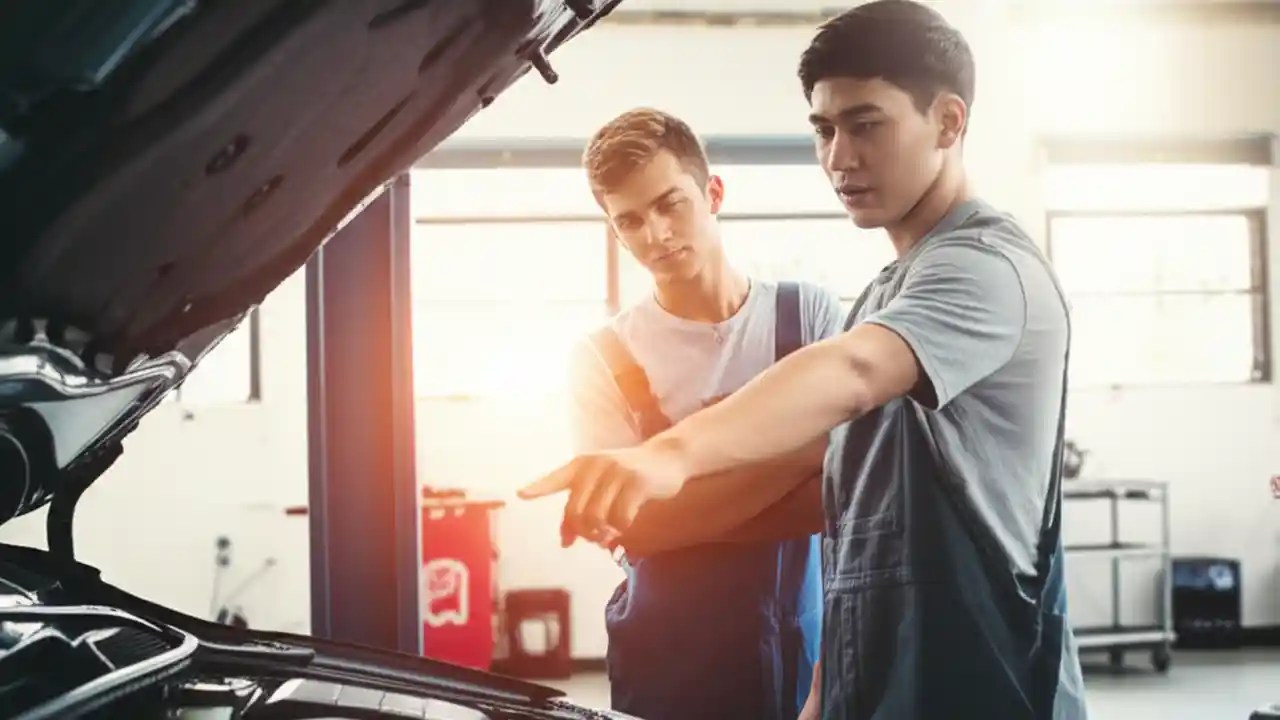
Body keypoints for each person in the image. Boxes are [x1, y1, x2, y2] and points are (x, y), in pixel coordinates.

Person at [522, 3, 1089, 719]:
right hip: (863, 682)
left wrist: (670, 458)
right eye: (824, 130)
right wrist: (825, 695)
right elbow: (850, 511)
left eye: (866, 125)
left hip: (980, 682)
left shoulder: (981, 270)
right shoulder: (890, 290)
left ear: (948, 122)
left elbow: (849, 379)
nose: (838, 157)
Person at [565, 107, 845, 720]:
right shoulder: (602, 358)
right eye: (631, 221)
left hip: (802, 642)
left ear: (712, 192)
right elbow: (633, 529)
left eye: (671, 205)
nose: (656, 235)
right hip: (668, 662)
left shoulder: (811, 319)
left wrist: (680, 513)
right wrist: (803, 452)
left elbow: (844, 493)